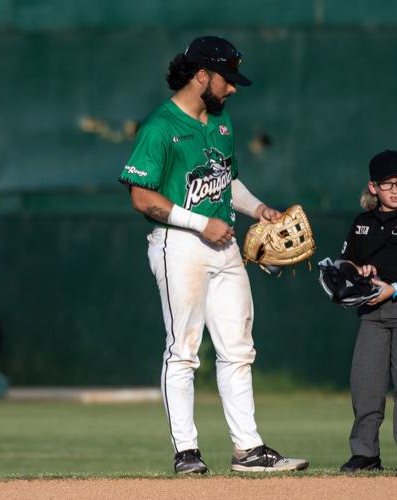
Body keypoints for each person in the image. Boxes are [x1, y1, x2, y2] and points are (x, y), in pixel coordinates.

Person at [118, 35, 308, 474]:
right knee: (183, 351)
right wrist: (201, 223)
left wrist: (259, 208)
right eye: (227, 79)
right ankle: (187, 452)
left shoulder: (222, 122)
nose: (233, 88)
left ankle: (249, 450)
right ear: (201, 75)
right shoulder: (160, 126)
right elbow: (142, 198)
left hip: (225, 247)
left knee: (239, 349)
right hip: (179, 244)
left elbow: (227, 182)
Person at [337, 150, 397, 477]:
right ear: (373, 187)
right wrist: (358, 270)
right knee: (365, 384)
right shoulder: (362, 223)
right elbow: (347, 264)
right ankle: (365, 454)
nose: (394, 190)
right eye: (386, 184)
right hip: (370, 311)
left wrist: (393, 289)